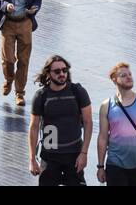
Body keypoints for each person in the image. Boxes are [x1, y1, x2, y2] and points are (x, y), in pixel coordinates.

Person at [29, 55, 92, 186]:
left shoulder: (78, 92)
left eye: (64, 70)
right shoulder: (41, 96)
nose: (62, 74)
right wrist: (32, 159)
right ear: (48, 73)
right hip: (50, 155)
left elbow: (88, 122)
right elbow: (34, 127)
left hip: (74, 154)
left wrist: (84, 153)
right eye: (57, 71)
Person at [97, 61, 136, 186]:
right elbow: (102, 137)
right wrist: (100, 166)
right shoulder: (106, 105)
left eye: (130, 74)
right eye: (123, 75)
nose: (129, 77)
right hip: (115, 163)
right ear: (114, 80)